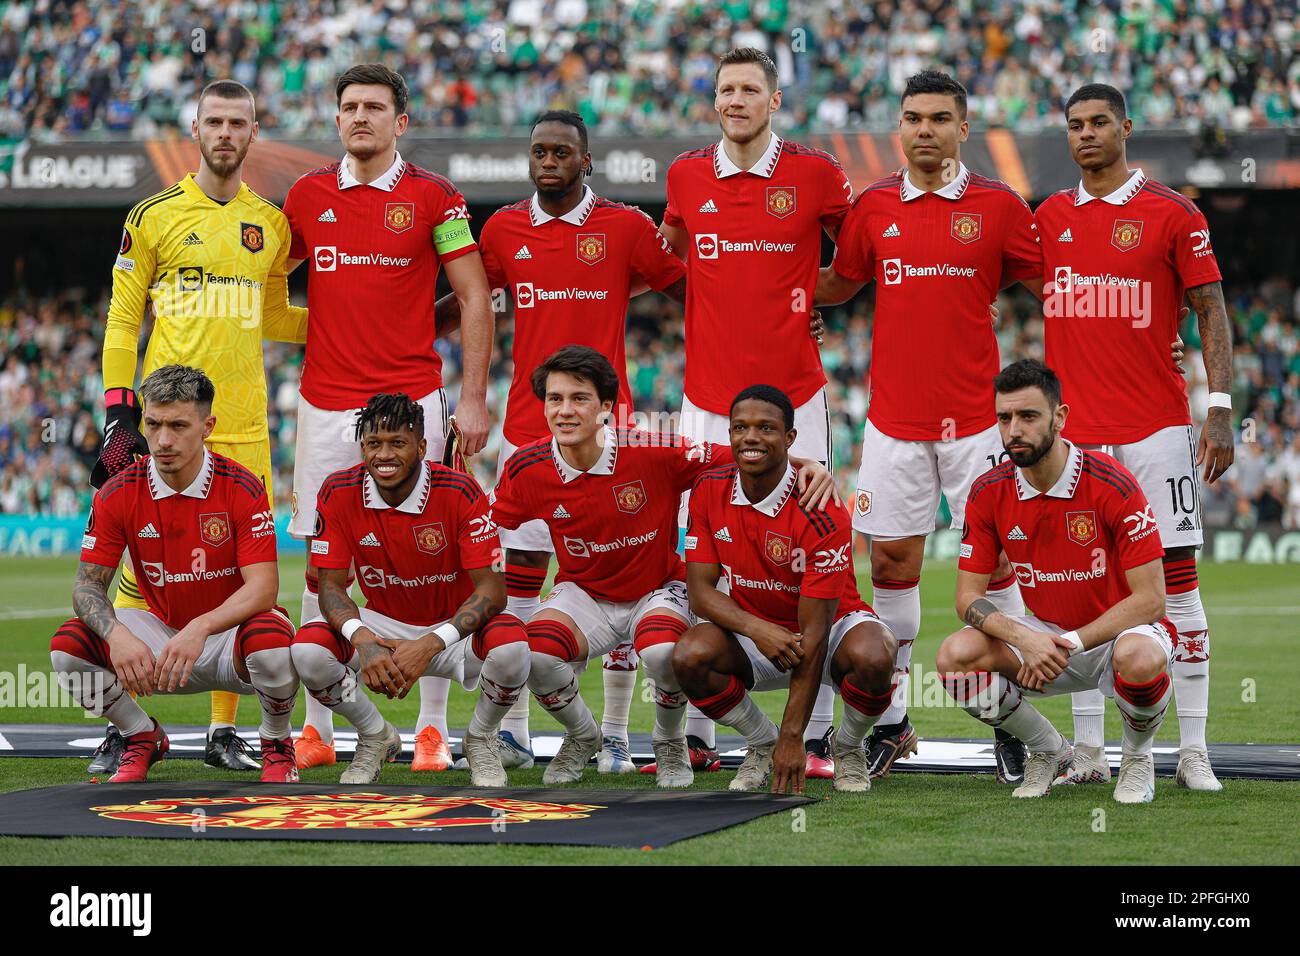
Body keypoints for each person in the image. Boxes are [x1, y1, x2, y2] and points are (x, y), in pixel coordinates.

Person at [434, 110, 686, 775]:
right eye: (539, 151)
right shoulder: (503, 228)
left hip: (611, 434)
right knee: (516, 589)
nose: (548, 160)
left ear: (587, 161)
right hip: (526, 435)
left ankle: (613, 735)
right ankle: (512, 730)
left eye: (562, 151)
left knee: (623, 587)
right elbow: (470, 300)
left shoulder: (626, 227)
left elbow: (693, 285)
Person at [814, 70, 1043, 784]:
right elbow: (838, 283)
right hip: (893, 424)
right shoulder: (873, 205)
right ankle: (891, 723)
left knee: (998, 568)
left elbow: (1059, 285)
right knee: (889, 566)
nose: (923, 129)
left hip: (980, 424)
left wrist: (1152, 331)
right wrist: (768, 294)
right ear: (899, 127)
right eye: (912, 117)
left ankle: (1009, 716)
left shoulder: (1001, 207)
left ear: (963, 129)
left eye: (939, 118)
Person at [490, 347, 839, 787]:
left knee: (663, 653)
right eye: (554, 399)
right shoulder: (526, 466)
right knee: (536, 656)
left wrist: (809, 465)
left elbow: (740, 454)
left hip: (658, 588)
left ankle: (670, 740)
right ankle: (582, 736)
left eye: (579, 398)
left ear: (605, 409)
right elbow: (485, 526)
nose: (564, 411)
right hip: (583, 592)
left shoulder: (653, 448)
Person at [281, 63, 494, 773]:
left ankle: (432, 729)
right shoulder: (307, 197)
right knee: (322, 564)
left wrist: (471, 396)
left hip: (412, 400)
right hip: (323, 402)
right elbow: (260, 281)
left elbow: (471, 295)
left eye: (375, 106)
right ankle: (321, 725)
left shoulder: (436, 197)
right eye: (349, 107)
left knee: (427, 557)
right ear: (336, 120)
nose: (360, 117)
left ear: (400, 122)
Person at [93, 79, 308, 776]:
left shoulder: (268, 225)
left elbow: (276, 318)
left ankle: (224, 731)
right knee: (134, 571)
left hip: (243, 426)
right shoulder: (152, 215)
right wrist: (118, 413)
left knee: (238, 575)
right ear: (195, 127)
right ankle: (130, 725)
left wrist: (363, 323)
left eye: (237, 122)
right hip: (166, 428)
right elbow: (124, 319)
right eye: (214, 121)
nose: (224, 132)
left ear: (253, 132)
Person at [659, 46, 853, 776]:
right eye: (724, 90)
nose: (734, 100)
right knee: (702, 561)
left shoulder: (815, 173)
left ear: (775, 101)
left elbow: (857, 256)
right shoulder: (685, 174)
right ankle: (706, 732)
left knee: (816, 559)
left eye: (748, 89)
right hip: (706, 403)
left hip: (797, 397)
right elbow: (676, 245)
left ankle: (821, 732)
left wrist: (814, 298)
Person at [1034, 83, 1233, 791]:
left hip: (1153, 430)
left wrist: (1221, 406)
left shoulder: (1174, 212)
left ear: (1126, 126)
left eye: (1097, 123)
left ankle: (1193, 750)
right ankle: (1089, 752)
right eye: (1074, 126)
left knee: (1177, 587)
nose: (1085, 135)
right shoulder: (1049, 216)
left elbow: (1210, 308)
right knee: (1084, 593)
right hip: (1074, 439)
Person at [938, 359, 1174, 803]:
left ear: (1060, 418)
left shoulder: (1112, 483)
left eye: (1028, 416)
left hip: (1118, 635)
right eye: (1004, 418)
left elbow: (1152, 600)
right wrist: (1026, 638)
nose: (1013, 431)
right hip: (1046, 640)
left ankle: (1138, 758)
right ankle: (1048, 750)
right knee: (955, 657)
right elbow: (967, 598)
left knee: (1139, 657)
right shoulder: (989, 491)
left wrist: (1069, 643)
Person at [51, 365, 299, 783]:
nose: (163, 441)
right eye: (153, 425)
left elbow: (263, 589)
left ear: (207, 426)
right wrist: (116, 635)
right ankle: (140, 735)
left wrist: (201, 627)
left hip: (225, 639)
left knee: (274, 642)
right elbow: (87, 587)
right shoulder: (117, 492)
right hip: (159, 639)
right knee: (68, 647)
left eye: (179, 425)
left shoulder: (242, 486)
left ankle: (276, 741)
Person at [292, 393, 529, 786]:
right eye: (373, 444)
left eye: (397, 443)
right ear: (361, 446)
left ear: (421, 446)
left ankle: (481, 738)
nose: (384, 455)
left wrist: (432, 643)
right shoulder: (337, 491)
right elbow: (330, 588)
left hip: (452, 631)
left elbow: (493, 591)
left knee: (514, 649)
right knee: (306, 650)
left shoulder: (461, 491)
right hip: (383, 625)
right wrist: (363, 640)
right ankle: (375, 735)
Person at [673, 384, 897, 794]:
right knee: (689, 655)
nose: (751, 437)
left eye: (766, 428)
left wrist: (797, 737)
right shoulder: (708, 489)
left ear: (790, 438)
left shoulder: (821, 506)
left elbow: (813, 635)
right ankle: (761, 741)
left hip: (829, 633)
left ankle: (846, 746)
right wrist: (758, 629)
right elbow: (700, 593)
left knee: (876, 653)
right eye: (740, 427)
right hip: (757, 632)